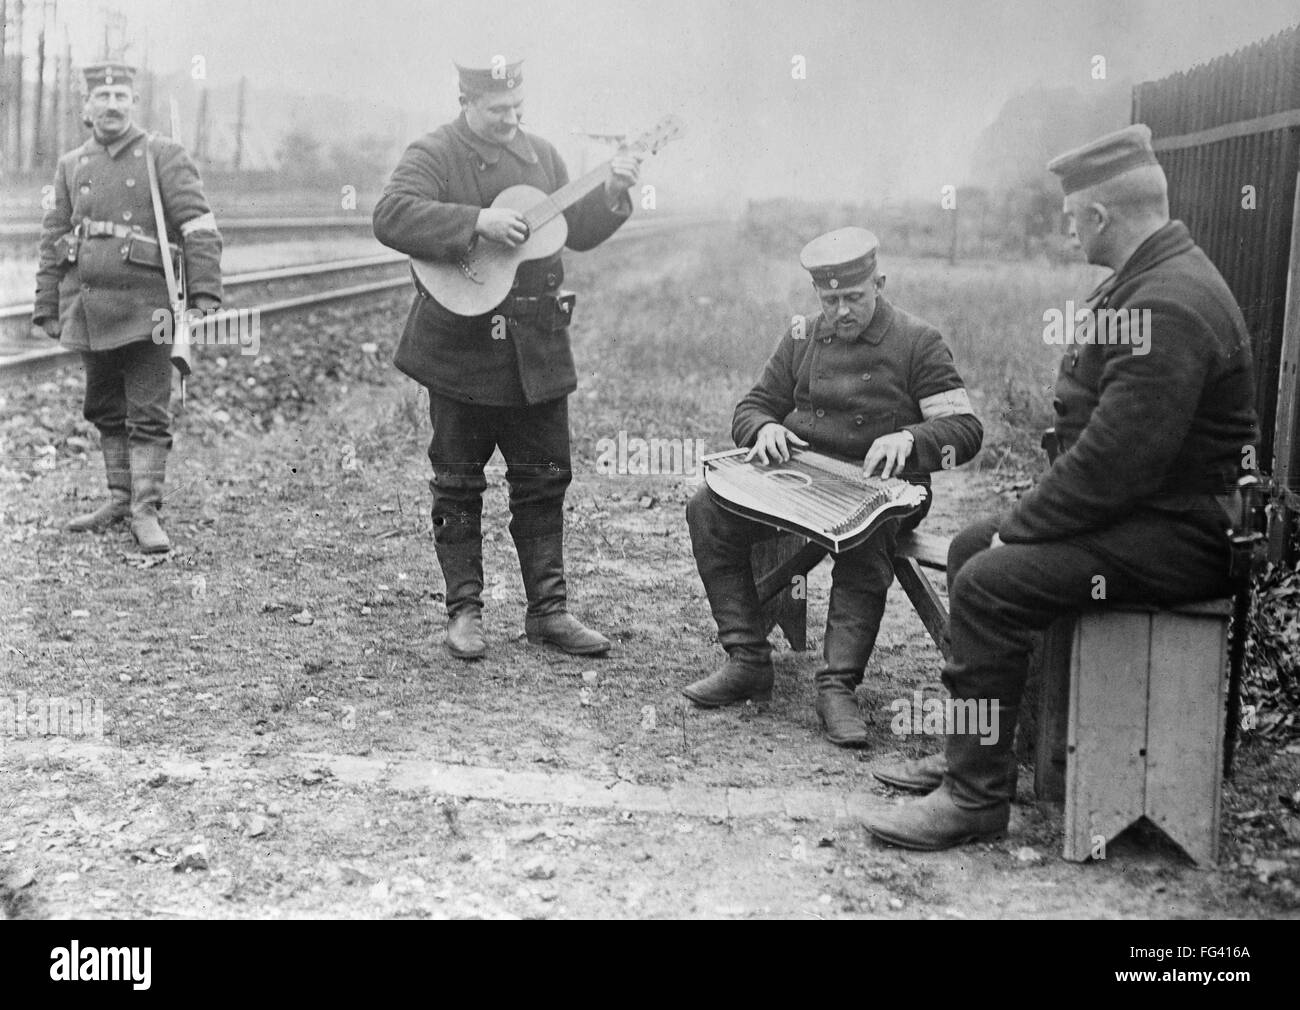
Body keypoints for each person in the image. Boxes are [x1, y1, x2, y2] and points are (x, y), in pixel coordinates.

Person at [865, 124, 1258, 849]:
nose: (1068, 229)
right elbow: (1115, 459)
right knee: (972, 547)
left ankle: (975, 799)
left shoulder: (1167, 302)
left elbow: (1117, 462)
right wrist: (1019, 525)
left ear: (1101, 216)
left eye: (1072, 216)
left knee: (991, 578)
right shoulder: (1155, 275)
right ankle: (986, 749)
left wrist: (1029, 524)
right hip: (1158, 515)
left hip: (1186, 536)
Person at [372, 58, 639, 661]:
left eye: (518, 108)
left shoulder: (543, 156)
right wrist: (475, 222)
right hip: (460, 350)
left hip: (537, 346)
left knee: (544, 480)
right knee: (459, 481)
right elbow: (389, 215)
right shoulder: (435, 151)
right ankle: (464, 611)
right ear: (467, 99)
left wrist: (616, 190)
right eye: (498, 110)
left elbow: (578, 230)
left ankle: (549, 611)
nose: (511, 120)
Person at [683, 227, 983, 747]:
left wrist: (911, 440)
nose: (842, 311)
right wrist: (766, 428)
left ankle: (837, 685)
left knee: (868, 537)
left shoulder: (918, 340)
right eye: (831, 299)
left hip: (887, 487)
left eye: (854, 298)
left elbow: (966, 430)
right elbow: (751, 408)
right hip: (806, 479)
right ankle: (748, 657)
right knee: (707, 507)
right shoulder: (802, 336)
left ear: (879, 283)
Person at [32, 60, 223, 554]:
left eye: (122, 98)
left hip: (150, 309)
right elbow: (53, 236)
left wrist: (202, 296)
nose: (112, 105)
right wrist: (47, 303)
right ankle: (119, 498)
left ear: (133, 104)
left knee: (147, 412)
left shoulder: (162, 154)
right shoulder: (71, 165)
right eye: (103, 98)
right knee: (103, 407)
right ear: (87, 107)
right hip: (90, 308)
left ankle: (146, 510)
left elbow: (199, 227)